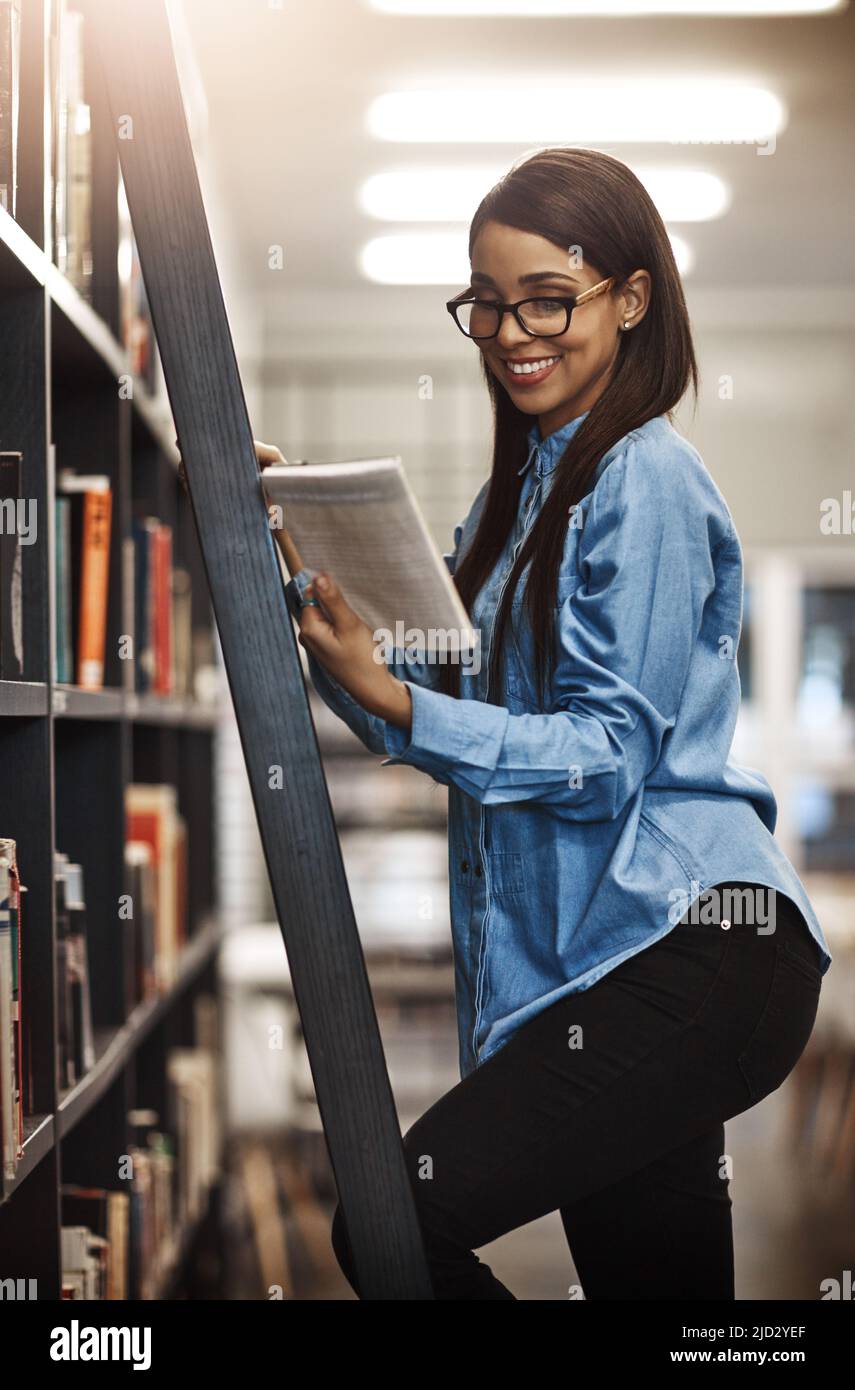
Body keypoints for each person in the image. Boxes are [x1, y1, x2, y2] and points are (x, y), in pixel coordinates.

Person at [262, 147, 832, 1300]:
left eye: (548, 298)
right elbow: (428, 716)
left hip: (695, 952)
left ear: (630, 299)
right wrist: (293, 575)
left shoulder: (644, 475)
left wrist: (406, 700)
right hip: (603, 976)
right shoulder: (514, 498)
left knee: (391, 1219)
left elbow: (604, 754)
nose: (513, 329)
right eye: (487, 302)